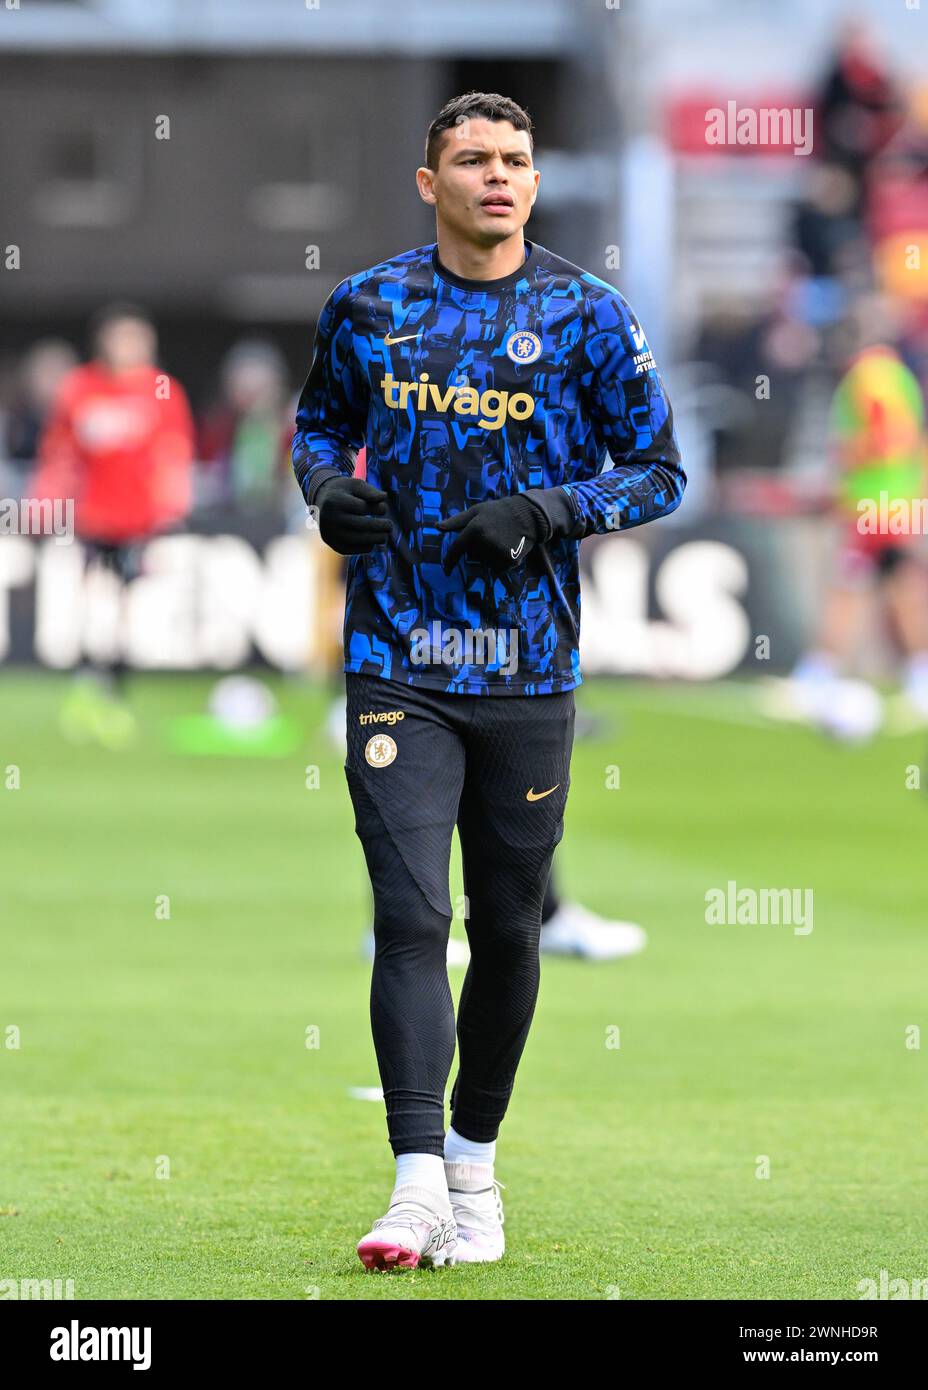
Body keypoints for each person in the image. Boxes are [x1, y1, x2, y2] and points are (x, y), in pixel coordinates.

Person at [291, 92, 685, 1271]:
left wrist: (551, 508)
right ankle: (414, 1186)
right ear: (432, 183)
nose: (498, 175)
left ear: (534, 179)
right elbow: (317, 430)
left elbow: (659, 470)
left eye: (515, 158)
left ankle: (473, 1164)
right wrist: (328, 492)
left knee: (508, 929)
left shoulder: (586, 313)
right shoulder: (368, 305)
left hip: (527, 671)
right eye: (473, 159)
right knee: (411, 917)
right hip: (396, 663)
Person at [30, 304, 195, 747]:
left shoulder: (162, 391)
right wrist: (47, 501)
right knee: (90, 601)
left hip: (139, 522)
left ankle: (115, 687)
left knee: (128, 607)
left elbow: (174, 456)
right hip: (91, 518)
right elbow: (59, 452)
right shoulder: (80, 387)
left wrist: (169, 511)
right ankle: (88, 683)